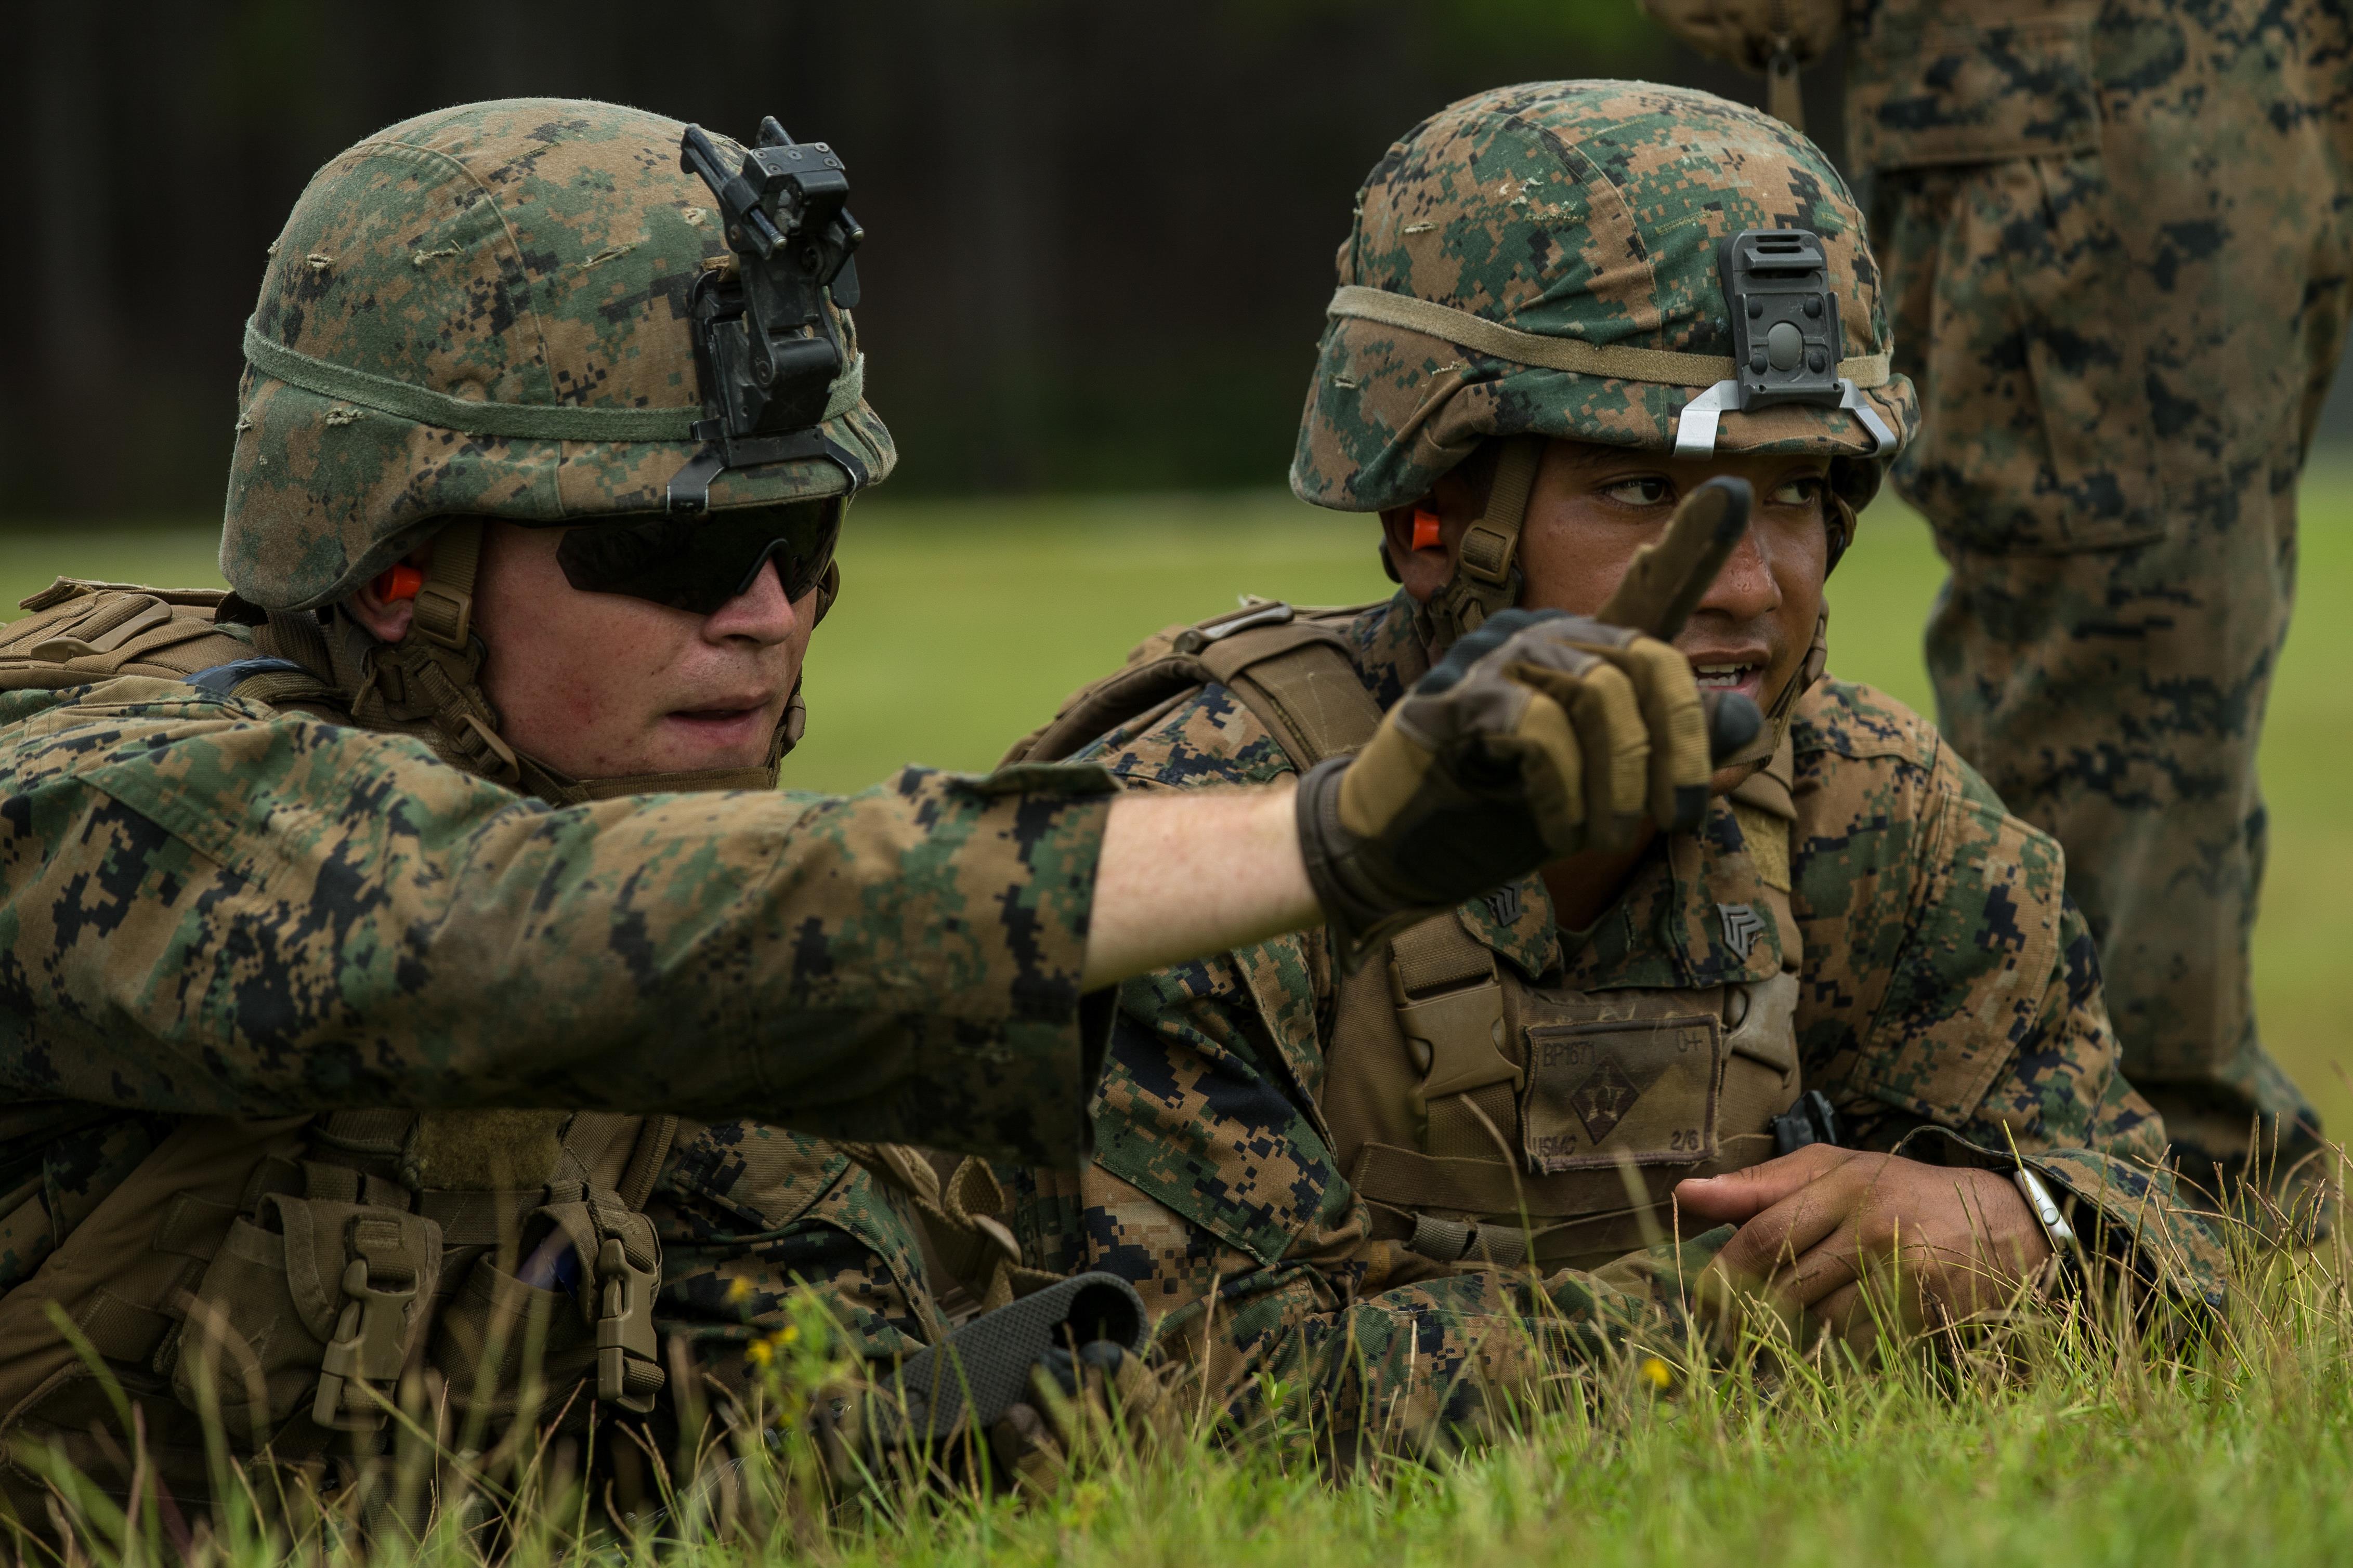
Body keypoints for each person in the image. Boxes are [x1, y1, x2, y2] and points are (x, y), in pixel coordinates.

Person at [0, 99, 1725, 1524]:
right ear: (393, 565)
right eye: (670, 548)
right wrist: (1325, 840)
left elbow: (790, 1420)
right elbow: (492, 924)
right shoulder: (106, 796)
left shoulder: (706, 999)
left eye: (800, 543)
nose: (759, 611)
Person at [981, 82, 2232, 1452]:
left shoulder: (1876, 811)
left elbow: (2157, 1247)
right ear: (1431, 518)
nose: (1749, 588)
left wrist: (2016, 1230)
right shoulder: (1198, 837)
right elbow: (1181, 1396)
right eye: (1645, 495)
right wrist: (1758, 1310)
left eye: (1800, 495)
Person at [1639, 0, 2337, 1214]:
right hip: (2080, 93)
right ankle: (2110, 1193)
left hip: (2263, 76)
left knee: (2210, 633)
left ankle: (2157, 1183)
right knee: (2139, 645)